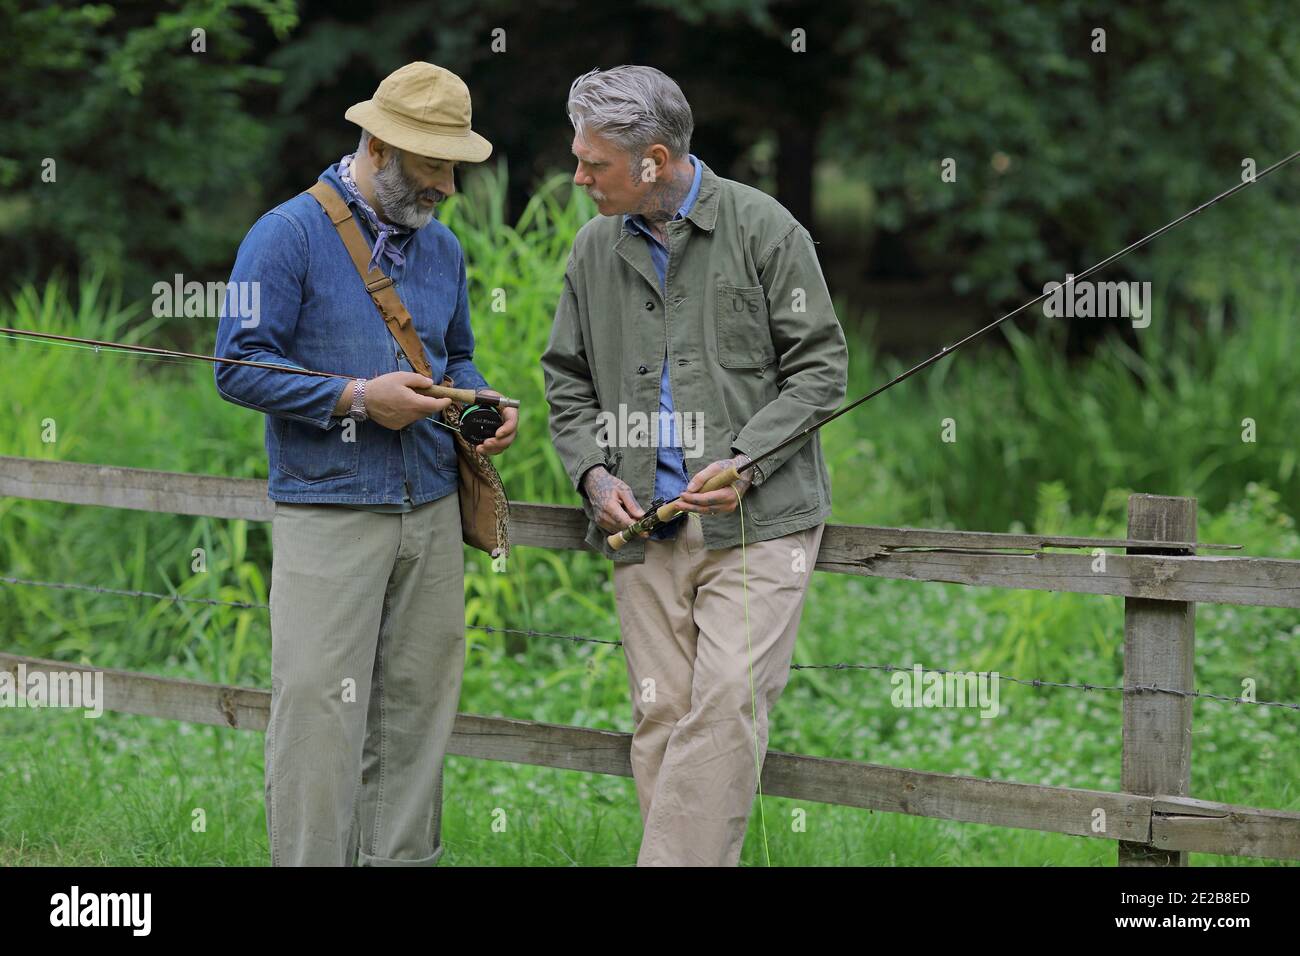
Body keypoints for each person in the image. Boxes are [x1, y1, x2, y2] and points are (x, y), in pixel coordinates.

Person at [541, 65, 848, 866]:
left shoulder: (766, 228)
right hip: (641, 526)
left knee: (723, 705)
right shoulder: (590, 250)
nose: (577, 178)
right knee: (662, 715)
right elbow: (565, 381)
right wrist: (590, 475)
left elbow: (822, 368)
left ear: (653, 158)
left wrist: (747, 459)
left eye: (592, 164)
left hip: (757, 526)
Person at [214, 62, 516, 866]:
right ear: (378, 148)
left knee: (417, 712)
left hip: (429, 514)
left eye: (454, 167)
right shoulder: (283, 235)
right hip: (329, 510)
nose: (447, 186)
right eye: (432, 165)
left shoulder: (443, 249)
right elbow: (236, 365)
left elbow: (459, 356)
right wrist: (355, 397)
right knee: (318, 714)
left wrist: (480, 404)